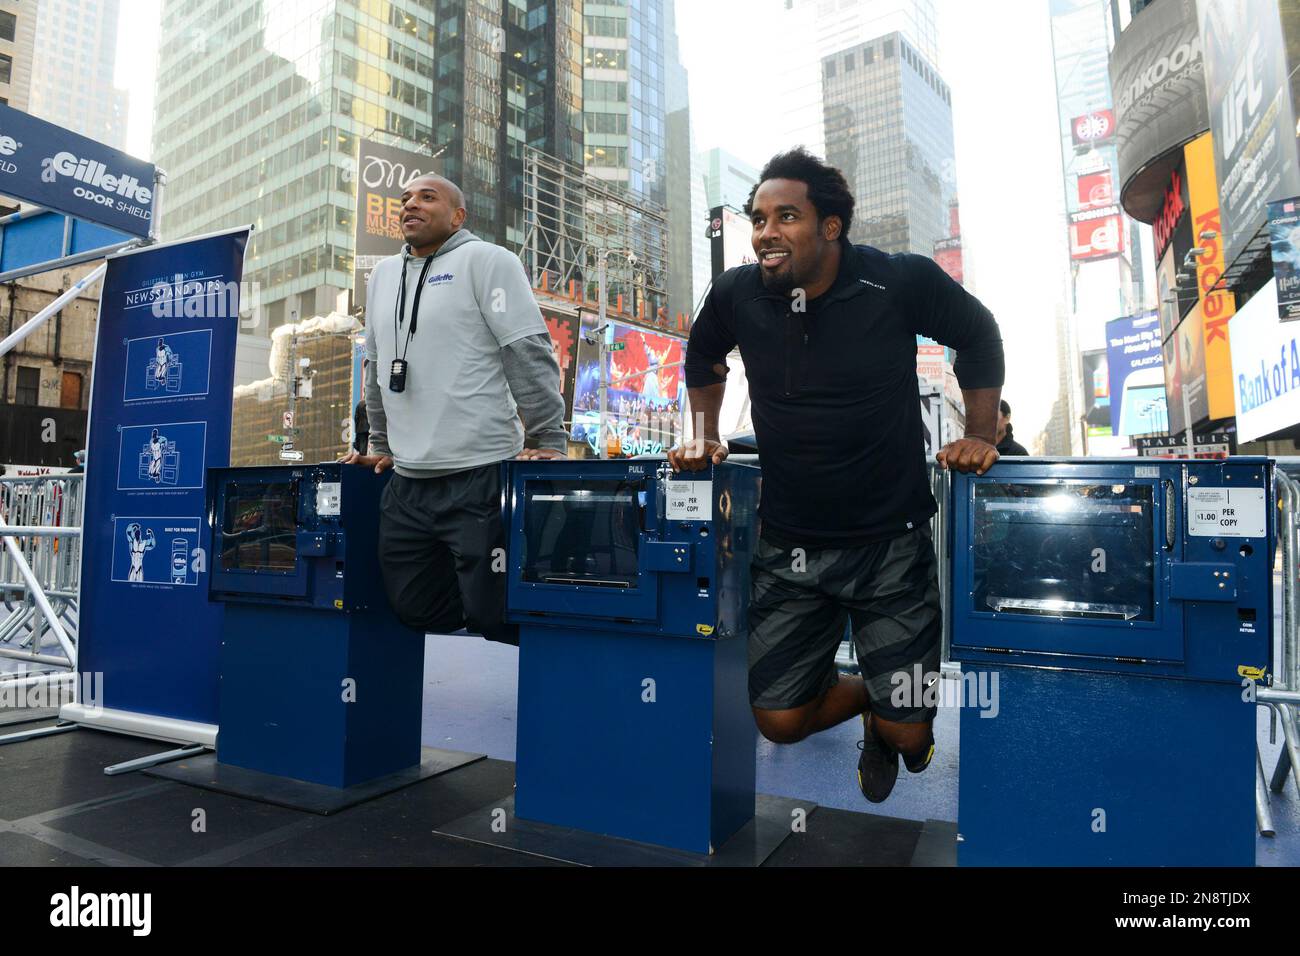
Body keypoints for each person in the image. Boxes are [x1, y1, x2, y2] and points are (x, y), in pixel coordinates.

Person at [669, 148, 1004, 804]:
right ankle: (868, 700)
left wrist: (982, 434)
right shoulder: (737, 293)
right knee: (780, 721)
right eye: (758, 218)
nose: (765, 231)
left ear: (830, 227)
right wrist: (706, 435)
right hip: (789, 546)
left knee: (913, 741)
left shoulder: (898, 281)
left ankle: (893, 726)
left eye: (785, 216)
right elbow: (703, 353)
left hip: (892, 546)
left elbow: (978, 332)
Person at [342, 173, 566, 645]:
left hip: (480, 474)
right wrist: (380, 444)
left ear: (458, 215)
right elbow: (377, 369)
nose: (411, 205)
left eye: (428, 197)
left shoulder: (488, 261)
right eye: (405, 199)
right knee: (411, 605)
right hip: (408, 480)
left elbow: (526, 350)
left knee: (495, 612)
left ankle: (559, 685)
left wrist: (547, 439)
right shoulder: (382, 276)